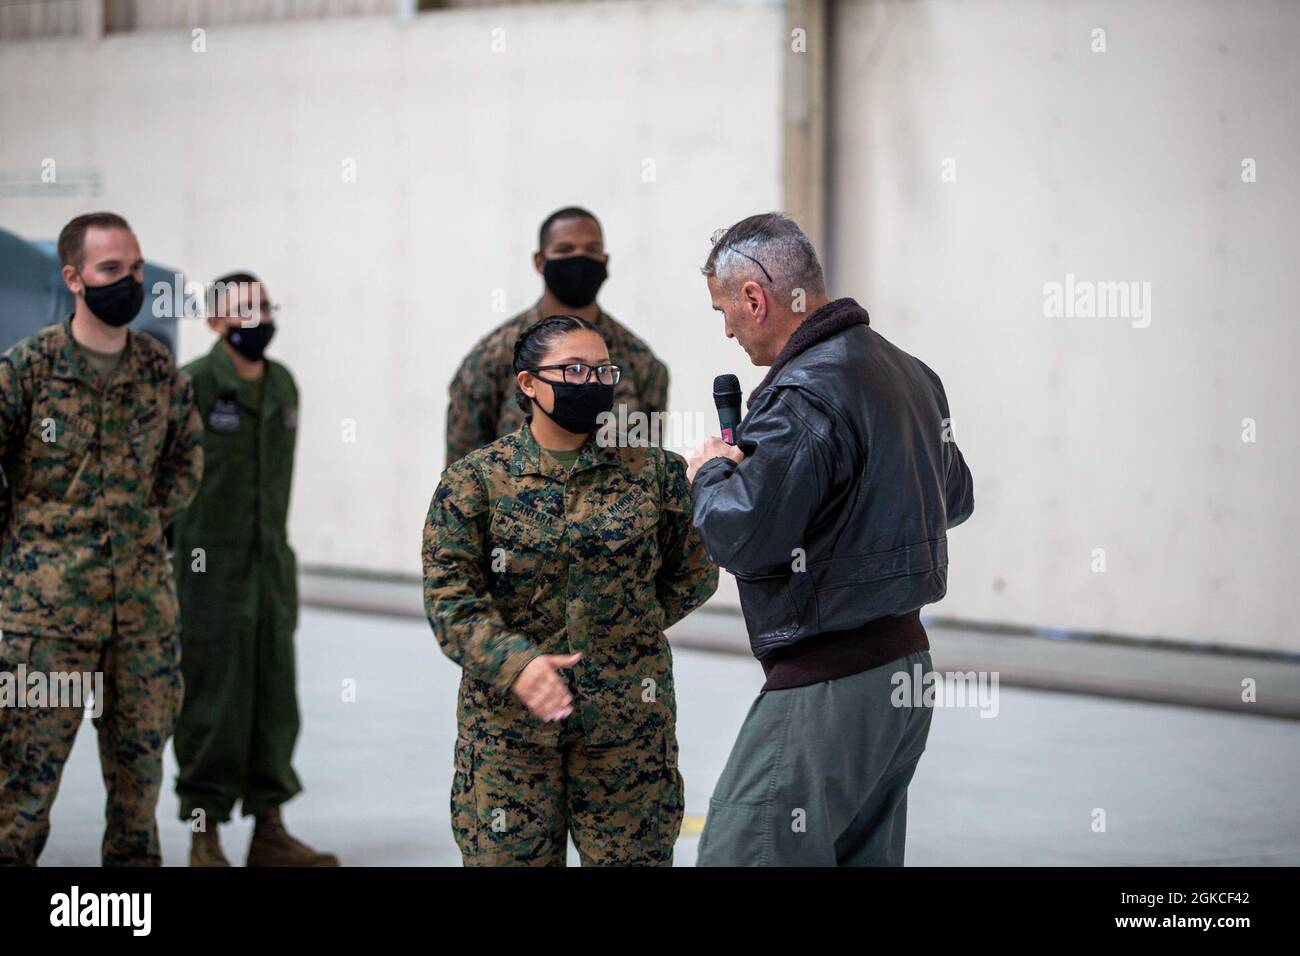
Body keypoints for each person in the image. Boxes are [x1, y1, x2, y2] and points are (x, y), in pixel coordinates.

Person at [687, 213, 975, 867]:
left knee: (745, 854)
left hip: (829, 685)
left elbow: (744, 535)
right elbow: (952, 498)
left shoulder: (801, 395)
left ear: (755, 299)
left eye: (724, 311)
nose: (727, 329)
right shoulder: (911, 376)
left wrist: (709, 477)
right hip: (904, 678)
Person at [424, 314, 718, 866]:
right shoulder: (475, 481)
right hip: (509, 733)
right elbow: (450, 600)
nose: (592, 383)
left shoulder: (654, 473)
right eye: (573, 370)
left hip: (628, 727)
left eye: (602, 371)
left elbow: (695, 572)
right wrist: (518, 663)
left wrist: (623, 629)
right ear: (528, 383)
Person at [0, 211, 203, 866]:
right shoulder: (26, 370)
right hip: (46, 627)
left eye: (136, 268)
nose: (130, 281)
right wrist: (29, 540)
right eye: (112, 270)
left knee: (138, 800)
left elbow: (186, 460)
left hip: (144, 622)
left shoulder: (159, 370)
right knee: (21, 795)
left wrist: (146, 520)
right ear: (74, 278)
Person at [170, 272, 336, 867]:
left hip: (269, 571)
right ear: (215, 321)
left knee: (274, 700)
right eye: (244, 309)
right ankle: (203, 835)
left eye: (265, 305)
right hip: (206, 575)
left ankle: (269, 829)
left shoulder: (283, 385)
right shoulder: (191, 386)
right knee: (210, 704)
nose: (259, 317)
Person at [444, 206, 669, 465]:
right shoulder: (490, 360)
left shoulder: (642, 364)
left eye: (591, 250)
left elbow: (648, 471)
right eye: (565, 250)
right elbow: (463, 477)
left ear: (605, 261)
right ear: (540, 261)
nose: (580, 259)